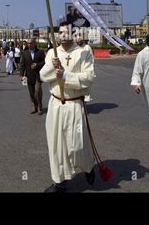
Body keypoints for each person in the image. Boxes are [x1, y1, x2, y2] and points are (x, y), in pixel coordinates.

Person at [40, 22, 96, 193]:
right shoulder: (52, 52)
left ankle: (88, 166)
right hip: (56, 104)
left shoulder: (83, 53)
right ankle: (60, 181)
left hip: (74, 104)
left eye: (67, 32)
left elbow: (88, 77)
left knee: (78, 144)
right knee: (57, 145)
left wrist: (65, 74)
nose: (63, 35)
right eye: (61, 32)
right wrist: (52, 65)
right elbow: (43, 76)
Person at [19, 38, 45, 115]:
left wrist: (37, 64)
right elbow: (22, 65)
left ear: (34, 44)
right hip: (29, 76)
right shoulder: (25, 53)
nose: (29, 45)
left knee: (37, 91)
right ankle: (34, 105)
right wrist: (21, 74)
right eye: (28, 43)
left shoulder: (40, 52)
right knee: (31, 93)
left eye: (31, 43)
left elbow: (45, 61)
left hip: (38, 75)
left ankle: (40, 106)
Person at [74, 31, 95, 101]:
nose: (78, 39)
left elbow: (91, 61)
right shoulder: (73, 48)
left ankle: (84, 107)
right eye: (76, 36)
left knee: (85, 92)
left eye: (80, 36)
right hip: (75, 73)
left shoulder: (87, 47)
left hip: (84, 73)